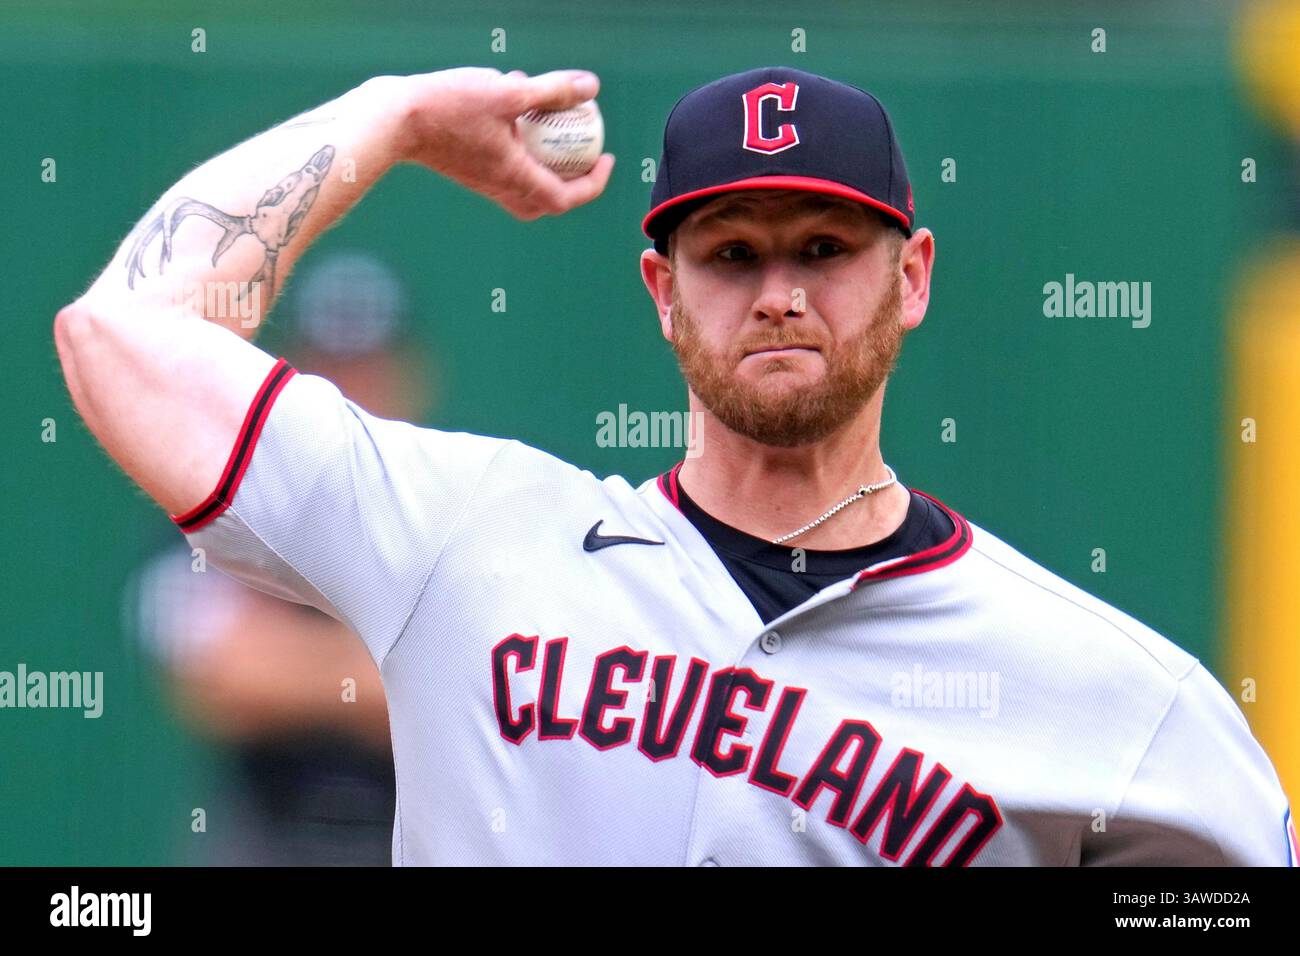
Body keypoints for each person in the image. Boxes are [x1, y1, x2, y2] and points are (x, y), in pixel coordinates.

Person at [54, 65, 1296, 865]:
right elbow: (118, 333)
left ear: (910, 276)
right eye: (729, 253)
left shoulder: (1117, 699)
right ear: (661, 290)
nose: (777, 293)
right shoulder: (466, 541)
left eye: (822, 245)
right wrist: (391, 117)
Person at [125, 252, 423, 865]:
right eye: (331, 364)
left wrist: (291, 663)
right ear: (289, 371)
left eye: (366, 364)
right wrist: (378, 672)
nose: (350, 388)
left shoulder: (445, 507)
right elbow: (218, 681)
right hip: (265, 835)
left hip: (407, 840)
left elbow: (482, 702)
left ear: (408, 374)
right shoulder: (224, 501)